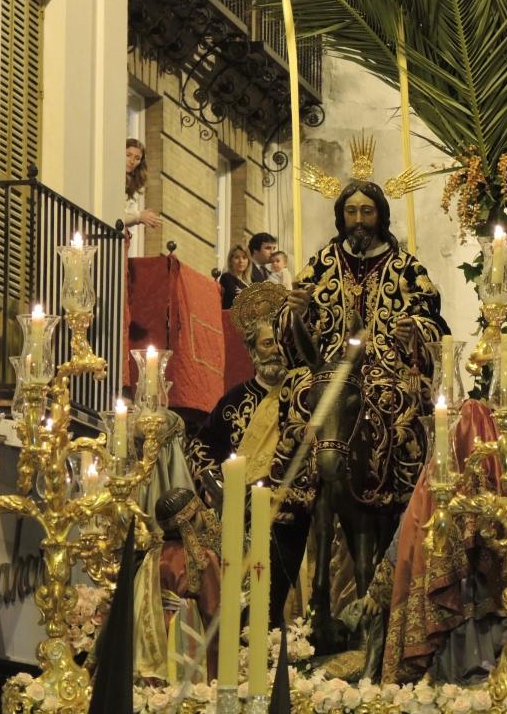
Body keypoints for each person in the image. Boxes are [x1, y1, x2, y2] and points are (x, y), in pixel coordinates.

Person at [275, 178, 449, 643]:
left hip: (385, 367)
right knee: (299, 396)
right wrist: (296, 311)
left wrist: (410, 331)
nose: (357, 221)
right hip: (329, 366)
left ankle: (396, 486)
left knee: (394, 406)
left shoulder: (408, 268)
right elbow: (294, 337)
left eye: (366, 212)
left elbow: (431, 320)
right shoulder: (322, 264)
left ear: (381, 216)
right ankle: (297, 487)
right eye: (350, 212)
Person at [184, 283, 306, 626]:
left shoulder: (304, 395)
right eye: (268, 343)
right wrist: (216, 486)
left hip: (289, 514)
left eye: (282, 343)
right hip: (239, 512)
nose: (276, 352)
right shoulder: (233, 402)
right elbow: (202, 445)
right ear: (252, 350)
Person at [132, 488, 221, 684]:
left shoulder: (153, 555)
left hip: (156, 630)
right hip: (189, 631)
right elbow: (213, 610)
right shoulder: (202, 557)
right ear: (188, 522)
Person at [123, 138, 161, 256]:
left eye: (137, 158)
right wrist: (139, 217)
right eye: (128, 155)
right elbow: (116, 216)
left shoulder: (131, 185)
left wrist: (139, 217)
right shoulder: (113, 177)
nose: (132, 161)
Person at [218, 245, 252, 309]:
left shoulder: (249, 283)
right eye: (237, 257)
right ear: (230, 261)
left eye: (244, 257)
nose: (241, 261)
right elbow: (235, 297)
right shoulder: (227, 277)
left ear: (248, 261)